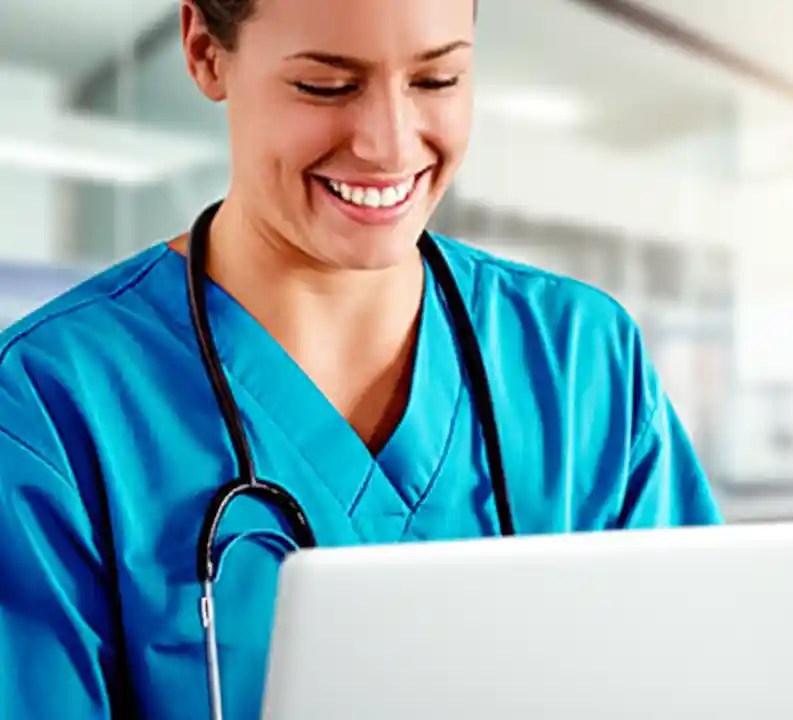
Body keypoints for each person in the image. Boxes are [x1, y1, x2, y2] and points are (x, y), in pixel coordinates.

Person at [0, 1, 721, 717]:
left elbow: (702, 678)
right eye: (326, 86)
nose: (389, 144)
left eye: (437, 81)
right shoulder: (50, 404)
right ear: (204, 51)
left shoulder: (581, 359)